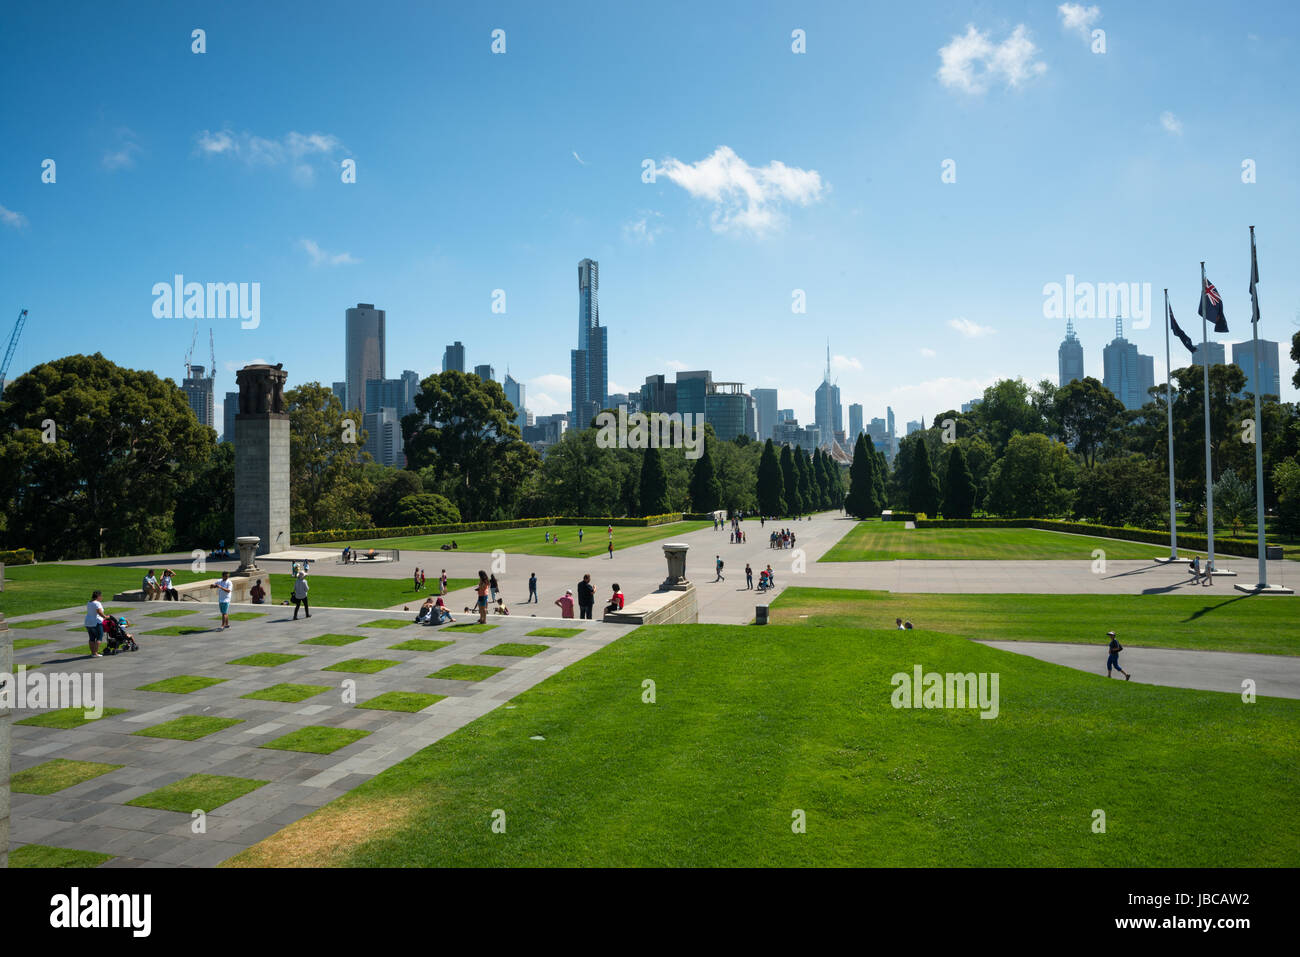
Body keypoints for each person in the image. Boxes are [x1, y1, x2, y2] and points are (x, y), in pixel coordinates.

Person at [84, 589, 106, 657]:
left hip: (88, 622)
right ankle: (95, 653)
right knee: (99, 637)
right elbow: (99, 612)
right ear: (98, 596)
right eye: (101, 596)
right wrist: (105, 617)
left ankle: (93, 653)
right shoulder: (97, 603)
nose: (102, 597)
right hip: (96, 622)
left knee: (91, 638)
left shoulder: (89, 602)